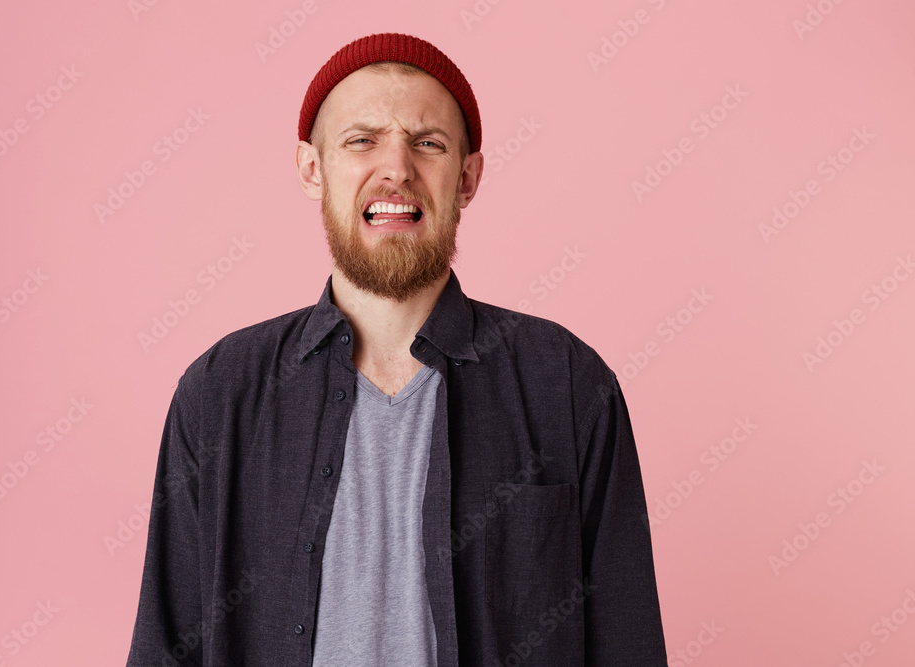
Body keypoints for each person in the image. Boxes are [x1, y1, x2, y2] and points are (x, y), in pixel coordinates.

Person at [126, 32, 667, 666]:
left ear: (467, 178)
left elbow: (627, 645)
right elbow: (166, 647)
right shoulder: (220, 393)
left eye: (428, 143)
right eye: (362, 141)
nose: (397, 169)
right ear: (312, 169)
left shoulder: (568, 385)